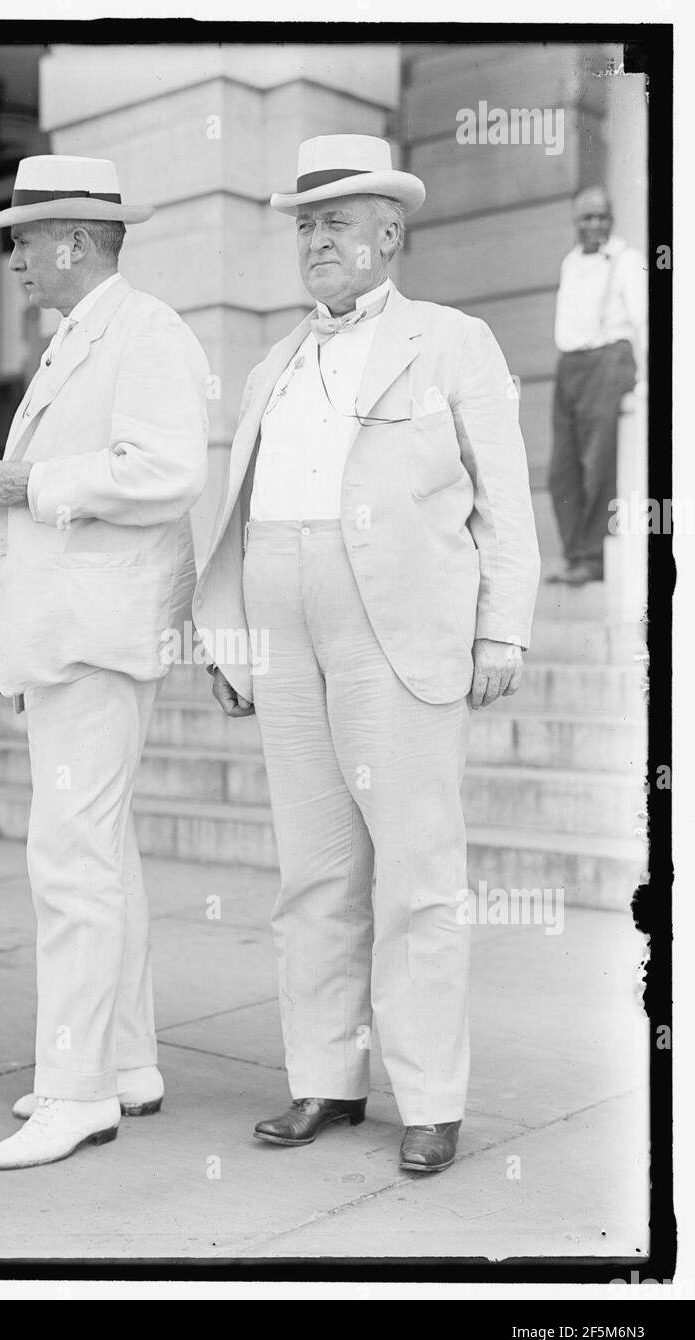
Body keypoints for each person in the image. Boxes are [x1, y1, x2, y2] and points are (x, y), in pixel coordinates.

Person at [193, 134, 540, 1173]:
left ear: (390, 232)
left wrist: (502, 625)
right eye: (305, 224)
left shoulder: (452, 341)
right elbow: (245, 509)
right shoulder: (275, 362)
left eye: (336, 221)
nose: (316, 240)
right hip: (284, 622)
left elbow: (503, 497)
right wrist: (231, 636)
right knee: (314, 870)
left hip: (399, 624)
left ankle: (430, 1097)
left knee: (419, 870)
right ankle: (326, 1080)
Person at [0, 156, 209, 1170]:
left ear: (73, 240)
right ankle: (127, 1061)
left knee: (69, 859)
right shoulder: (89, 339)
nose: (14, 259)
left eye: (22, 239)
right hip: (71, 637)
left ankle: (76, 1092)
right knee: (98, 852)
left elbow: (168, 470)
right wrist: (7, 635)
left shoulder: (142, 332)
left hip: (98, 641)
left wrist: (32, 480)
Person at [548, 186, 647, 584]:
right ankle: (575, 554)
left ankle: (595, 558)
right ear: (576, 222)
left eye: (602, 217)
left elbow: (644, 322)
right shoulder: (571, 263)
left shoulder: (627, 261)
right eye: (587, 218)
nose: (595, 225)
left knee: (599, 463)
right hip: (571, 366)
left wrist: (645, 378)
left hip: (610, 359)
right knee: (562, 470)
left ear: (612, 219)